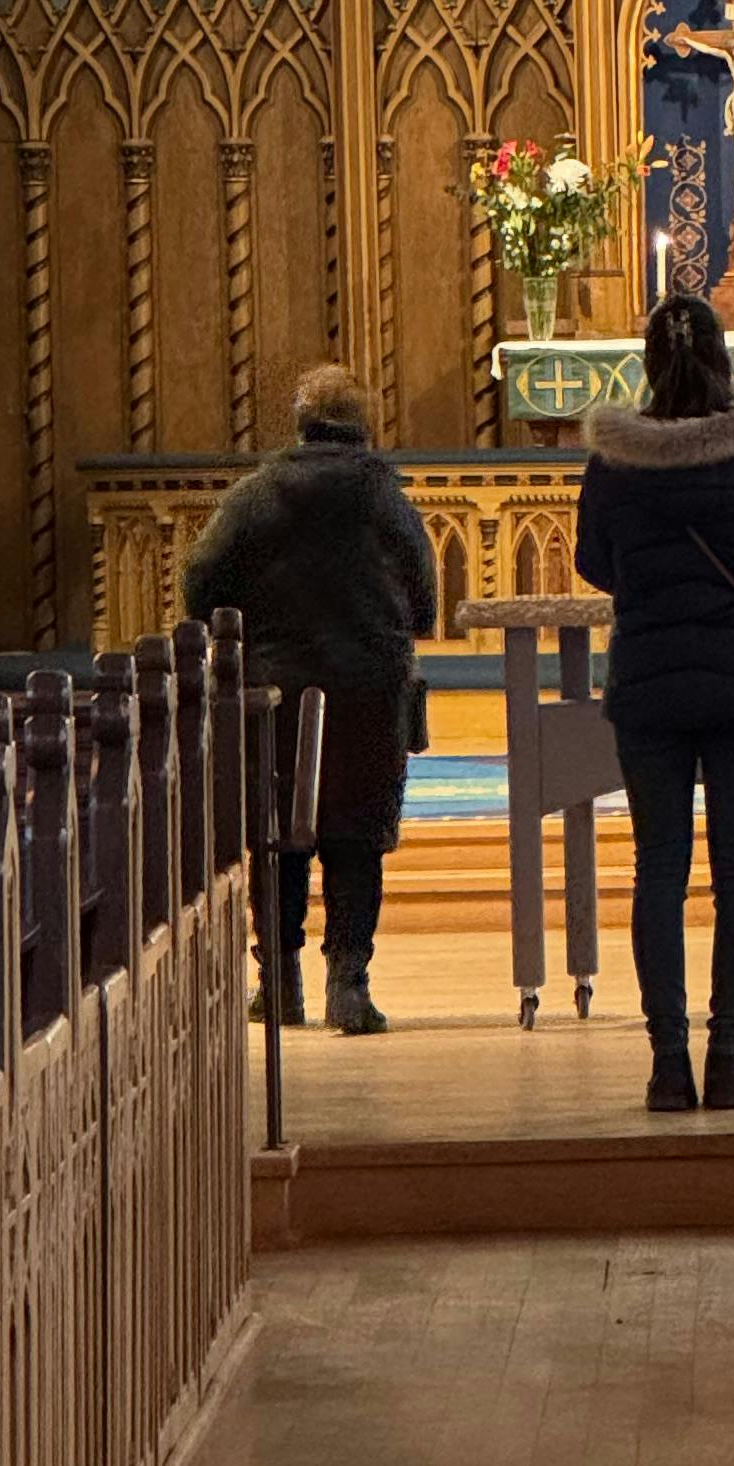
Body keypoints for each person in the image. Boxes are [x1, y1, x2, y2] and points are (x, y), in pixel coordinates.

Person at [574, 292, 734, 1113]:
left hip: (648, 681)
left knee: (659, 871)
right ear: (725, 360)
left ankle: (667, 1063)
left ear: (649, 363)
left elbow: (596, 564)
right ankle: (730, 1060)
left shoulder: (614, 462)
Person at [182, 365, 434, 1035]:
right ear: (364, 424)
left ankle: (280, 984)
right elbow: (425, 594)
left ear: (301, 422)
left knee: (278, 839)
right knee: (355, 841)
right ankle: (348, 985)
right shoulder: (386, 499)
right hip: (368, 689)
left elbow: (201, 581)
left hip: (277, 686)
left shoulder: (256, 496)